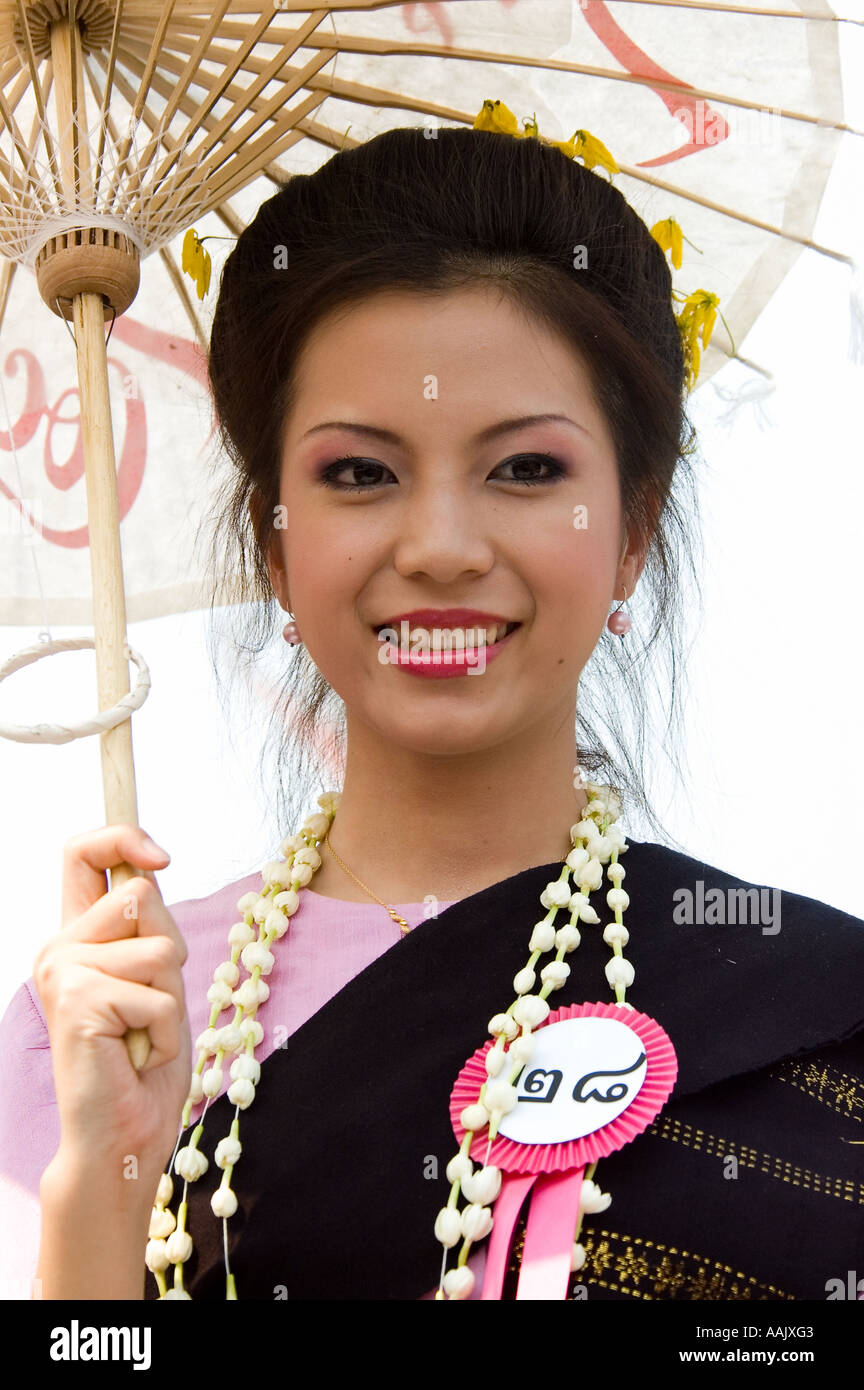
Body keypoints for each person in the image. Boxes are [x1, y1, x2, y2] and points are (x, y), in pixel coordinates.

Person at [2, 122, 862, 1302]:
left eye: (526, 470)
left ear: (632, 534)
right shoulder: (131, 1010)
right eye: (359, 472)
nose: (443, 548)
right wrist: (107, 1180)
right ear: (273, 540)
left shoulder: (808, 1003)